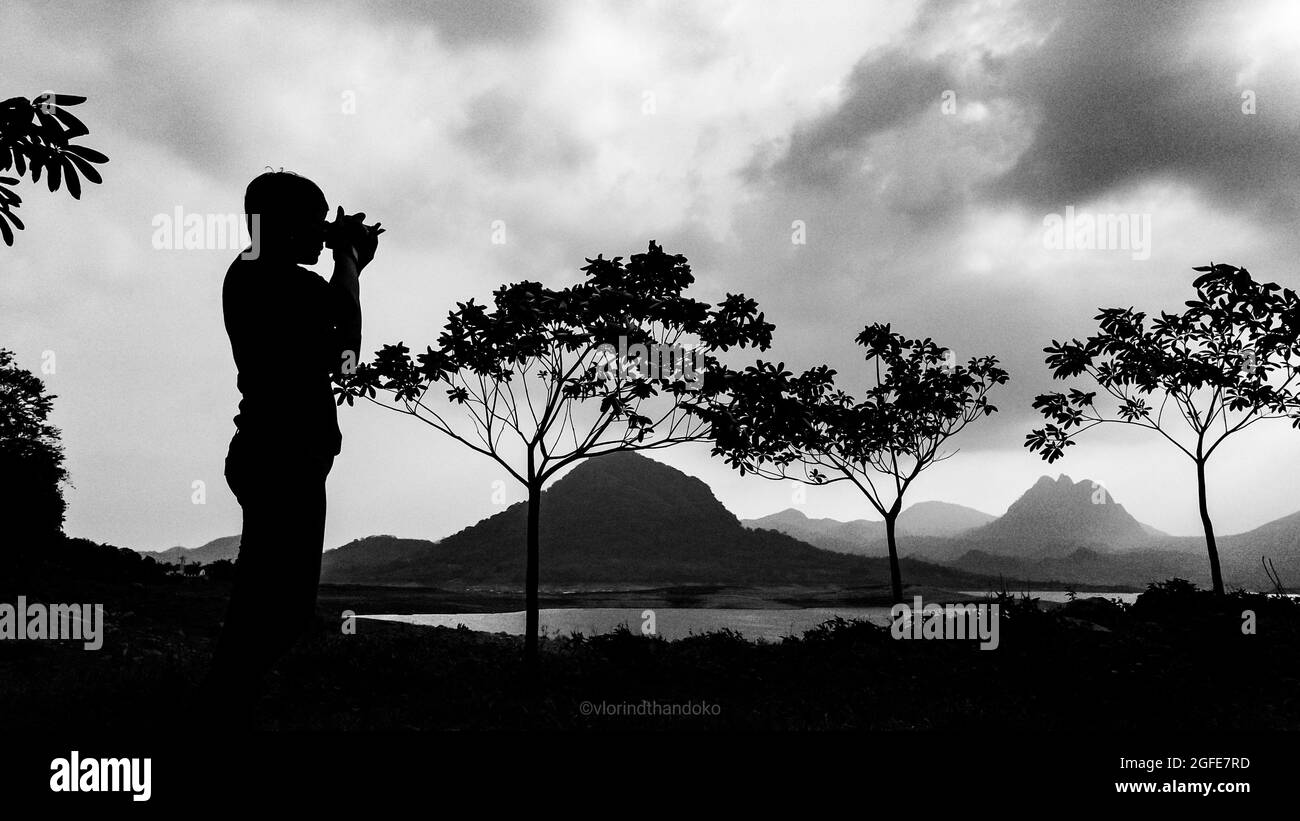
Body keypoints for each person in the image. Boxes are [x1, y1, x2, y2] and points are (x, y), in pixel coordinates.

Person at [202, 170, 381, 726]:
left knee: (269, 606)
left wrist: (342, 256)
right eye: (315, 218)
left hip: (272, 451)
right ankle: (220, 710)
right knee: (278, 611)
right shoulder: (277, 280)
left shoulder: (250, 271)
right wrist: (349, 261)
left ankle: (226, 705)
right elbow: (346, 349)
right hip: (282, 455)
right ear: (280, 224)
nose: (322, 230)